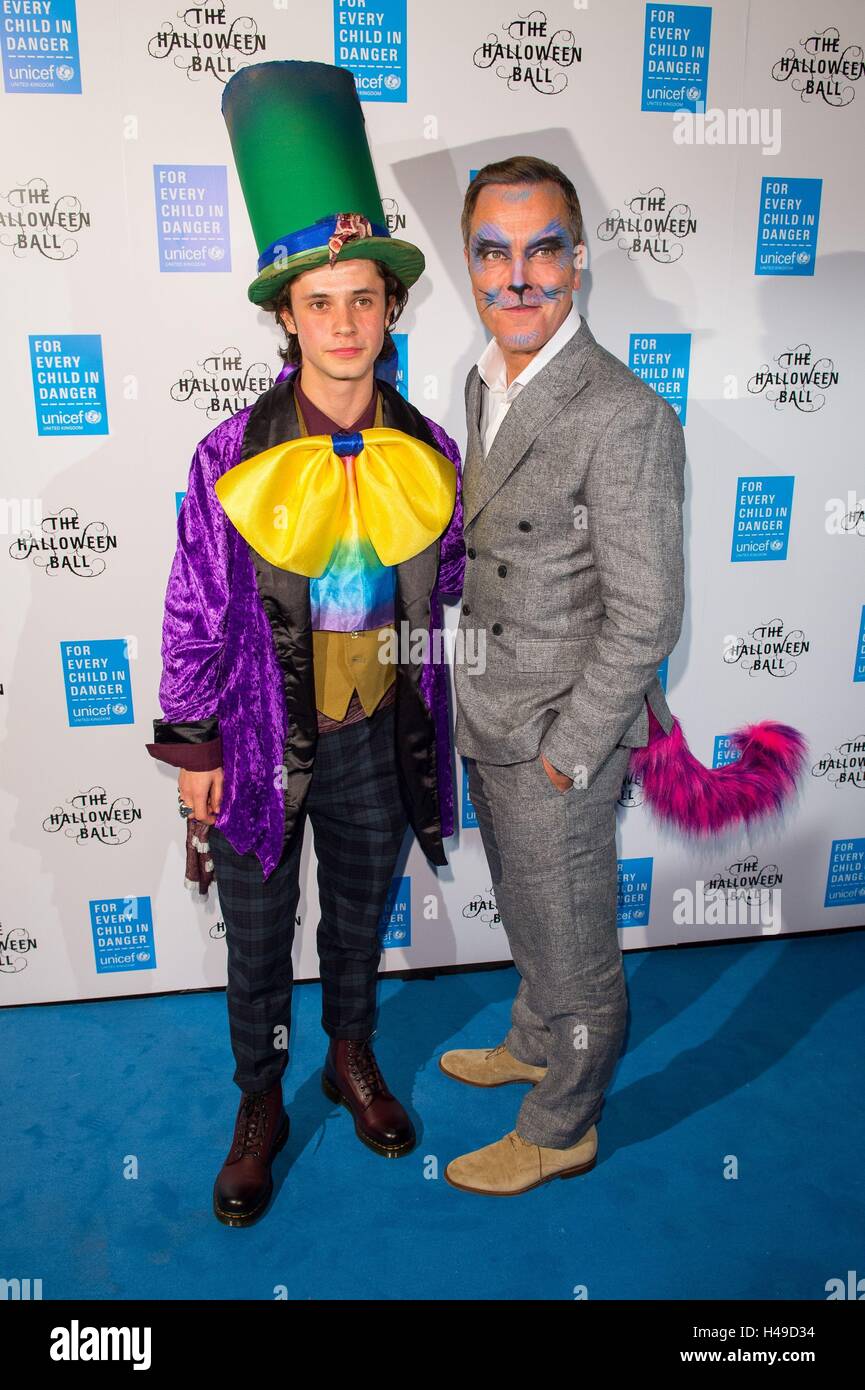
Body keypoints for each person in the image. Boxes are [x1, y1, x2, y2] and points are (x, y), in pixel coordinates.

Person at [145, 60, 464, 1226]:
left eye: (362, 298)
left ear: (389, 309)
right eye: (318, 300)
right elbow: (191, 606)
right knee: (258, 935)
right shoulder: (227, 454)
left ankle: (351, 1057)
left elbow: (450, 587)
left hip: (376, 729)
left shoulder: (429, 449)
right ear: (286, 316)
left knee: (360, 912)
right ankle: (261, 1101)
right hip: (259, 737)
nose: (343, 321)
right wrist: (196, 754)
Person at [440, 155, 685, 1196]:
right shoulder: (479, 377)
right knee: (531, 912)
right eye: (494, 252)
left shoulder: (624, 414)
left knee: (580, 947)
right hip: (487, 709)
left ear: (578, 262)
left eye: (543, 249)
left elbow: (646, 615)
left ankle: (561, 1122)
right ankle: (536, 1040)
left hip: (558, 735)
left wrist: (567, 755)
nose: (518, 275)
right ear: (472, 265)